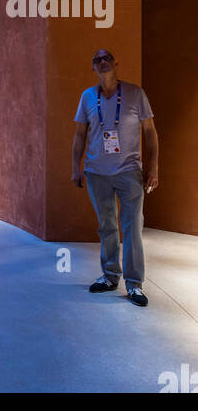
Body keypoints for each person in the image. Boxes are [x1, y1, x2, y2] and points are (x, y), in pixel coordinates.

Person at [71, 48, 158, 306]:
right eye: (97, 59)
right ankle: (110, 277)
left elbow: (150, 132)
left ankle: (134, 285)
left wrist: (153, 167)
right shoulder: (87, 97)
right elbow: (79, 136)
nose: (103, 62)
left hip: (129, 171)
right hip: (97, 172)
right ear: (93, 67)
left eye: (106, 57)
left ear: (115, 63)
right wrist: (75, 167)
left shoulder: (134, 93)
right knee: (107, 226)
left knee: (132, 228)